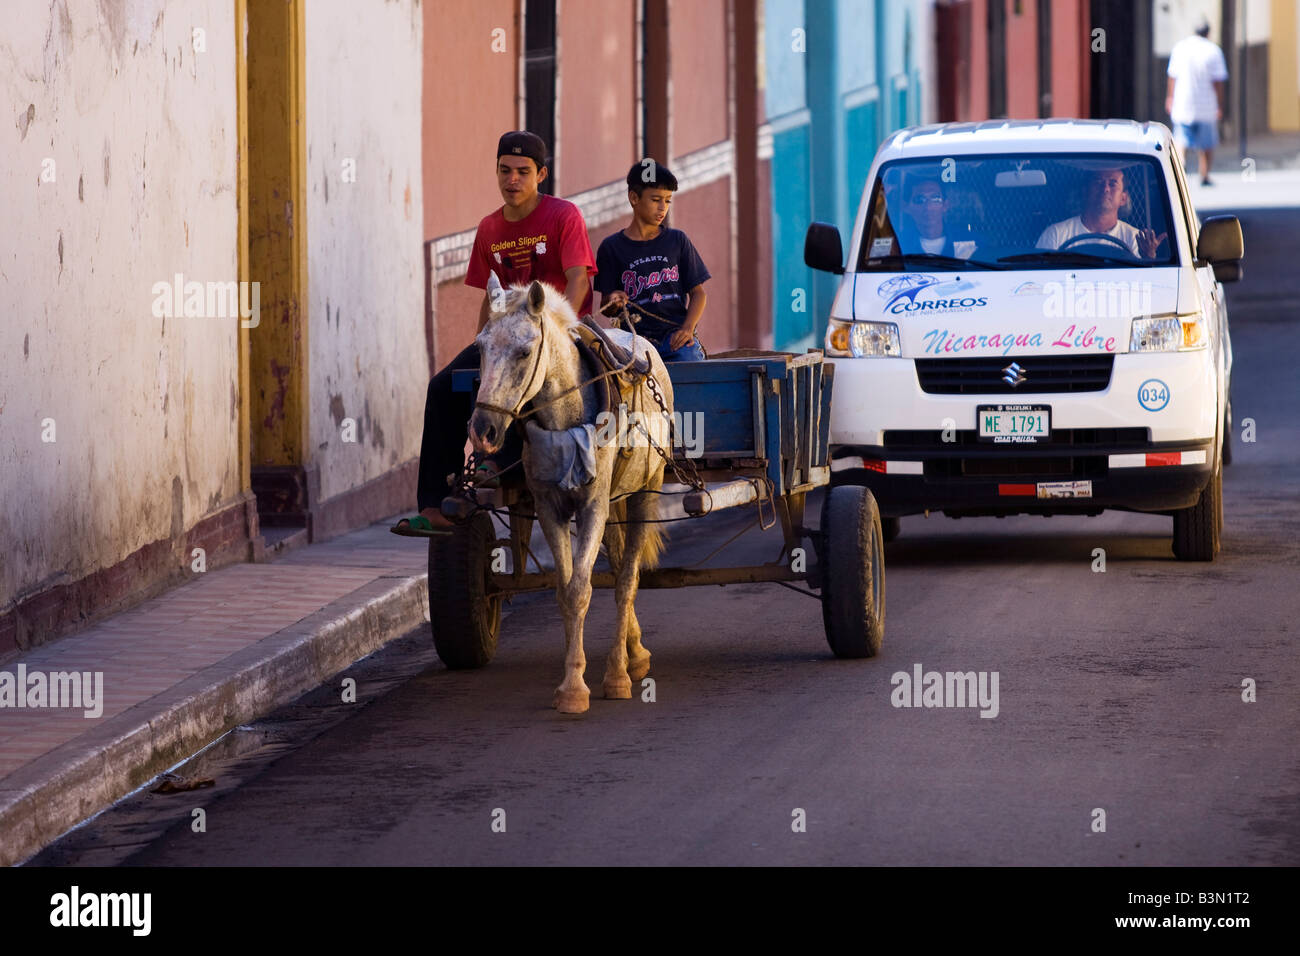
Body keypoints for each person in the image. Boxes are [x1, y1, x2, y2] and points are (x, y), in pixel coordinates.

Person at [393, 131, 596, 535]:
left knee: (520, 384)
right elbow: (490, 301)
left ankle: (497, 460)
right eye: (505, 171)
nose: (512, 180)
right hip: (507, 340)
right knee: (444, 386)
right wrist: (483, 348)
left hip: (557, 338)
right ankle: (435, 503)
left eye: (523, 172)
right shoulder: (489, 228)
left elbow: (579, 281)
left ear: (541, 174)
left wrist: (564, 330)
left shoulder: (563, 216)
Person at [595, 160, 709, 362]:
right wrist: (614, 300)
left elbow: (698, 294)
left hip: (674, 338)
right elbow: (607, 305)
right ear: (633, 198)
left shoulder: (677, 240)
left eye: (667, 200)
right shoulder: (611, 247)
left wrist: (687, 329)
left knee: (689, 362)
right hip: (632, 341)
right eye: (656, 199)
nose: (662, 208)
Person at [1036, 167, 1165, 259]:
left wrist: (1149, 258)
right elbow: (1040, 281)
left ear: (1123, 198)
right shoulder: (1055, 235)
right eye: (1098, 182)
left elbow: (1145, 286)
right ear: (1085, 192)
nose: (1105, 189)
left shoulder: (1136, 238)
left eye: (1112, 184)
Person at [1166, 17, 1228, 186]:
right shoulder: (1213, 51)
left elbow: (1172, 76)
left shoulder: (1181, 48)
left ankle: (1180, 168)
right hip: (1206, 105)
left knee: (1181, 140)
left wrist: (1170, 97)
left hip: (1183, 103)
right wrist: (1220, 104)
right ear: (1208, 33)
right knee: (1206, 144)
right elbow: (1218, 82)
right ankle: (1204, 174)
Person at [895, 176, 976, 259]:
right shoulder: (897, 244)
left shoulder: (970, 241)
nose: (928, 207)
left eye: (936, 199)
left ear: (945, 205)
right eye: (920, 200)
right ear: (906, 207)